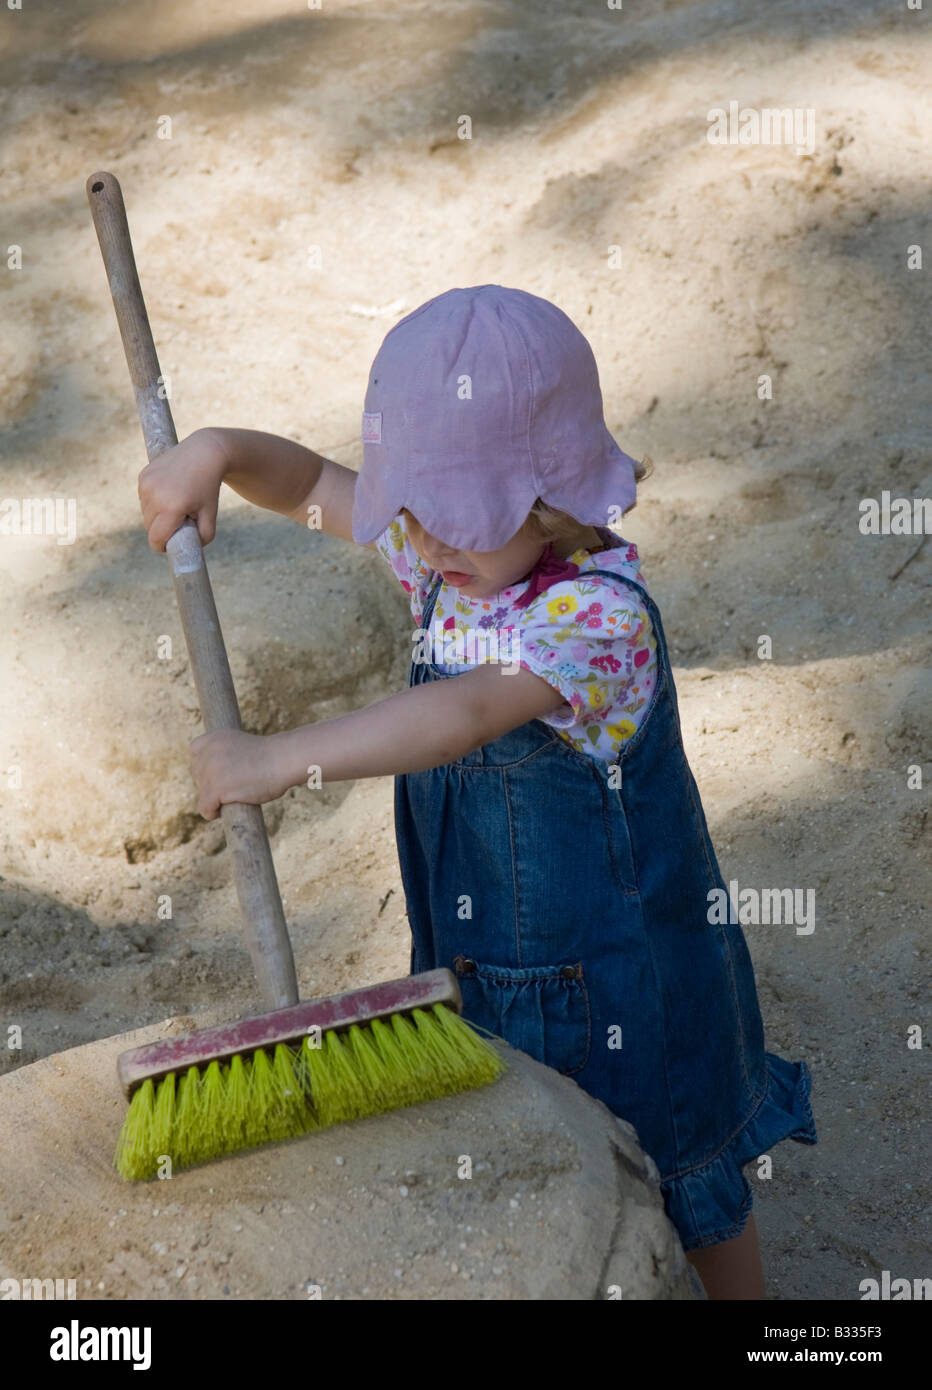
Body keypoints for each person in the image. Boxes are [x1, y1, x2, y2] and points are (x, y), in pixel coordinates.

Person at [138, 284, 817, 1299]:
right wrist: (225, 453)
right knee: (544, 1171)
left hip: (627, 982)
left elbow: (458, 717)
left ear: (548, 504)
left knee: (685, 1170)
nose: (427, 541)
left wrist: (280, 758)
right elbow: (320, 483)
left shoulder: (596, 621)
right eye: (413, 513)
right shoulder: (449, 565)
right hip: (482, 961)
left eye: (457, 519)